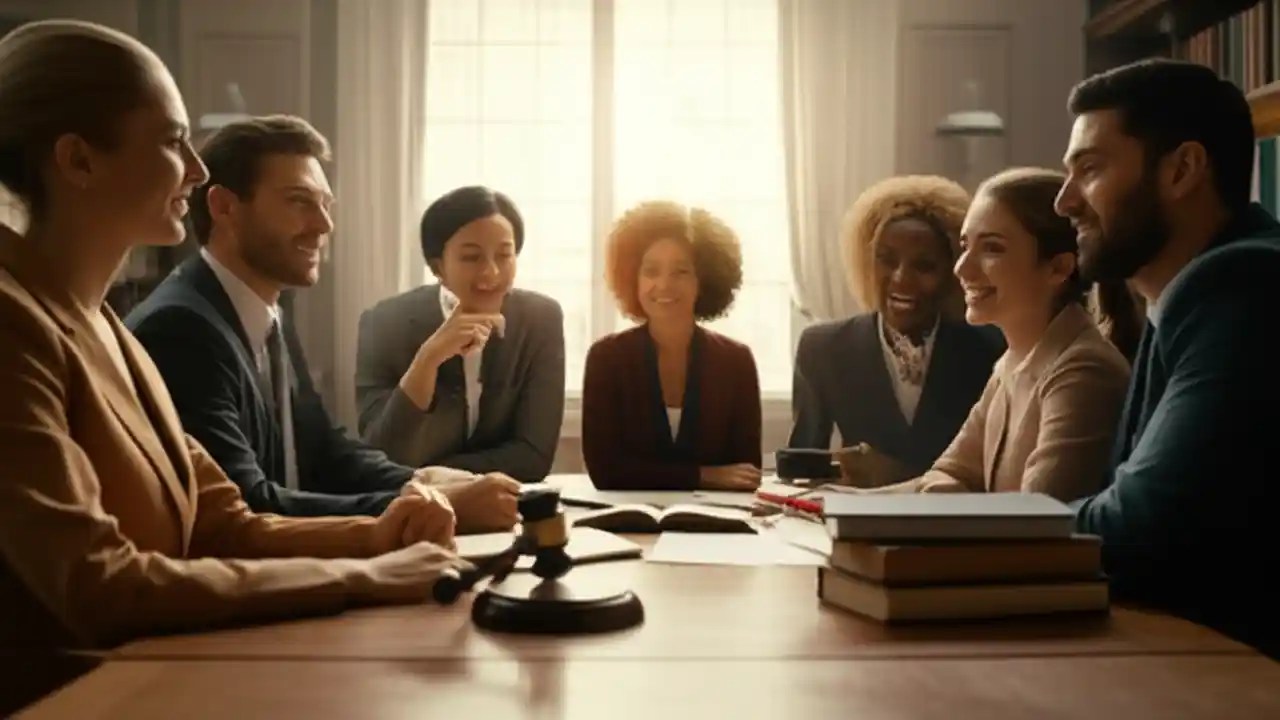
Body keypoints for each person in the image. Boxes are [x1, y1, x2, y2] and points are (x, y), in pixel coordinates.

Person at [0, 20, 466, 713]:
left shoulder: (108, 326)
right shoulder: (15, 325)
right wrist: (366, 575)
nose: (195, 167)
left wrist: (379, 533)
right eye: (171, 139)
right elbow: (97, 586)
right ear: (77, 160)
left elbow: (223, 524)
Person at [125, 115, 518, 531]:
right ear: (224, 207)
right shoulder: (181, 330)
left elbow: (326, 451)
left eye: (325, 205)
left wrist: (422, 482)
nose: (324, 226)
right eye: (299, 201)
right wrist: (435, 506)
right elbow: (245, 506)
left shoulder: (269, 309)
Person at [1055, 58, 1280, 659]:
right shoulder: (1183, 292)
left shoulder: (1244, 284)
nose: (1064, 202)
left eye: (1090, 170)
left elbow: (1139, 532)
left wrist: (958, 536)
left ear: (1182, 170)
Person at [865, 168, 1131, 501]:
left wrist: (951, 495)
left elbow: (1037, 519)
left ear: (1059, 268)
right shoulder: (1010, 363)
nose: (962, 268)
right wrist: (823, 503)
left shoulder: (1083, 371)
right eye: (965, 245)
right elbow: (947, 472)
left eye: (991, 248)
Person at [788, 175, 1003, 484]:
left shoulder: (991, 350)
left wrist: (896, 475)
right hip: (857, 525)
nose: (901, 279)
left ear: (953, 271)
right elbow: (802, 468)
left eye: (924, 266)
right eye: (886, 260)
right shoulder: (822, 348)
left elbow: (997, 481)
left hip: (956, 527)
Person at [356, 186, 565, 482]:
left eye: (504, 255)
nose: (491, 272)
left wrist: (431, 473)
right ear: (437, 266)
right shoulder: (384, 324)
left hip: (503, 506)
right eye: (471, 257)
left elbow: (533, 456)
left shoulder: (541, 319)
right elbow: (382, 454)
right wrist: (429, 358)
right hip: (415, 508)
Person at [581, 201, 762, 490]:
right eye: (651, 271)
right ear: (633, 278)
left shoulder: (736, 360)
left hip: (717, 525)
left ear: (704, 279)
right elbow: (605, 471)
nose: (664, 284)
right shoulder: (606, 358)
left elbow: (746, 473)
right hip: (628, 527)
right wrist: (703, 476)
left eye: (681, 271)